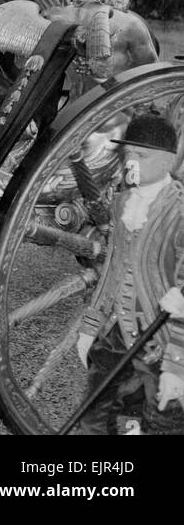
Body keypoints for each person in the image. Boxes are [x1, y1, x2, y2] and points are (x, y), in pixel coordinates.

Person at [75, 114, 184, 434]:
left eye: (142, 156)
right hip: (116, 335)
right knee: (94, 416)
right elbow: (111, 267)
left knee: (163, 420)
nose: (131, 163)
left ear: (166, 161)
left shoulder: (180, 211)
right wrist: (90, 326)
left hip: (161, 339)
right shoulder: (122, 201)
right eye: (129, 155)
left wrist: (177, 365)